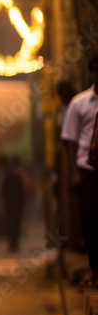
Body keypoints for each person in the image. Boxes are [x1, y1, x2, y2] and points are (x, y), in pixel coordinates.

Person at [62, 57, 98, 282]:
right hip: (88, 169)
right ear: (91, 73)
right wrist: (74, 171)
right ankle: (95, 269)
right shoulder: (80, 103)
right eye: (96, 70)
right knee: (91, 219)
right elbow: (70, 140)